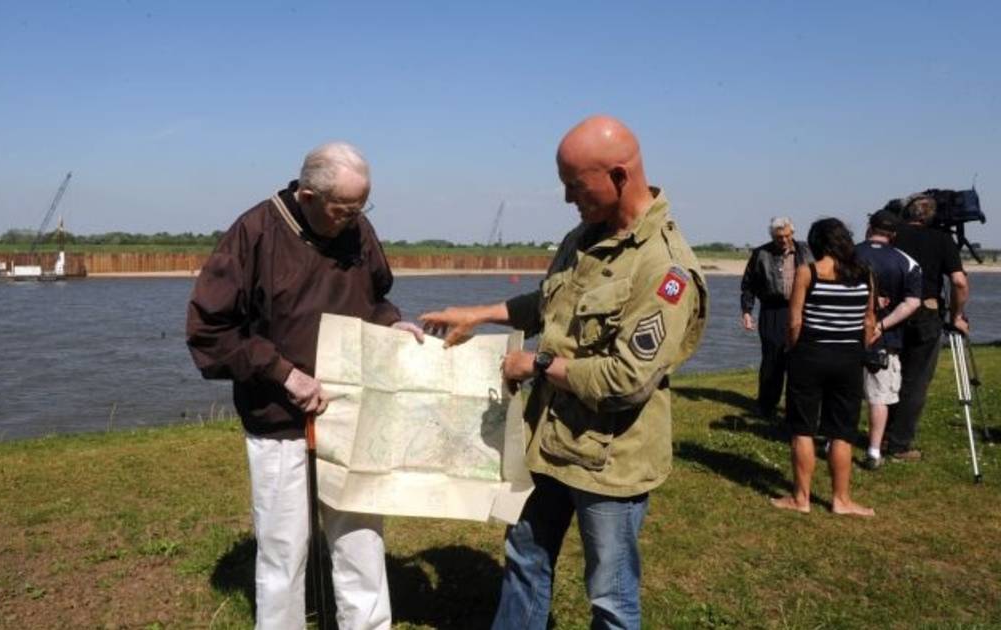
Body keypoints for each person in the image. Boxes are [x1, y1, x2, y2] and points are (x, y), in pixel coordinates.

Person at [420, 115, 707, 629]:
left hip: (608, 461)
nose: (567, 199)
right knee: (525, 560)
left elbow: (627, 379)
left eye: (575, 186)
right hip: (546, 444)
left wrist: (539, 363)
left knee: (611, 595)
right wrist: (477, 314)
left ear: (619, 176)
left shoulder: (664, 269)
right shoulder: (583, 236)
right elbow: (549, 305)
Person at [185, 142, 423, 630]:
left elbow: (374, 298)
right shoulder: (253, 234)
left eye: (363, 207)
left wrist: (391, 325)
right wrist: (283, 373)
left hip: (350, 411)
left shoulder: (357, 228)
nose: (354, 219)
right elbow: (210, 331)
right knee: (284, 549)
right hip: (279, 421)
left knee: (360, 538)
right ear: (308, 196)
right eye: (343, 209)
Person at [772, 218, 877, 517]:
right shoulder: (865, 274)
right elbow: (868, 321)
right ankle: (841, 500)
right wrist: (861, 349)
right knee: (842, 432)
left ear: (817, 243)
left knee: (803, 429)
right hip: (849, 358)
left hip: (810, 355)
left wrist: (792, 349)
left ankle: (801, 498)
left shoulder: (808, 273)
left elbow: (794, 322)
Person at [886, 194, 970, 461]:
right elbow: (958, 282)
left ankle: (883, 433)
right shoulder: (942, 239)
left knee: (886, 373)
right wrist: (957, 316)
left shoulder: (892, 234)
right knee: (916, 380)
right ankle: (899, 444)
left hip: (891, 312)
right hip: (927, 312)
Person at [854, 210, 921, 470]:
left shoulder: (850, 253)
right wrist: (882, 324)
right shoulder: (907, 262)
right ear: (893, 234)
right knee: (878, 397)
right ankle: (873, 449)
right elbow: (912, 302)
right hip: (885, 339)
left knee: (843, 392)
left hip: (846, 335)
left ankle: (835, 440)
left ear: (870, 227)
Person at [740, 217, 814, 420]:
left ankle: (795, 407)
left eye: (788, 235)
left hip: (802, 309)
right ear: (772, 236)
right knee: (772, 359)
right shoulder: (761, 254)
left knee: (798, 360)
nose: (784, 240)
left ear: (793, 232)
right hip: (772, 310)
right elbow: (748, 285)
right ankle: (766, 406)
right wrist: (747, 311)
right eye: (779, 237)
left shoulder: (807, 250)